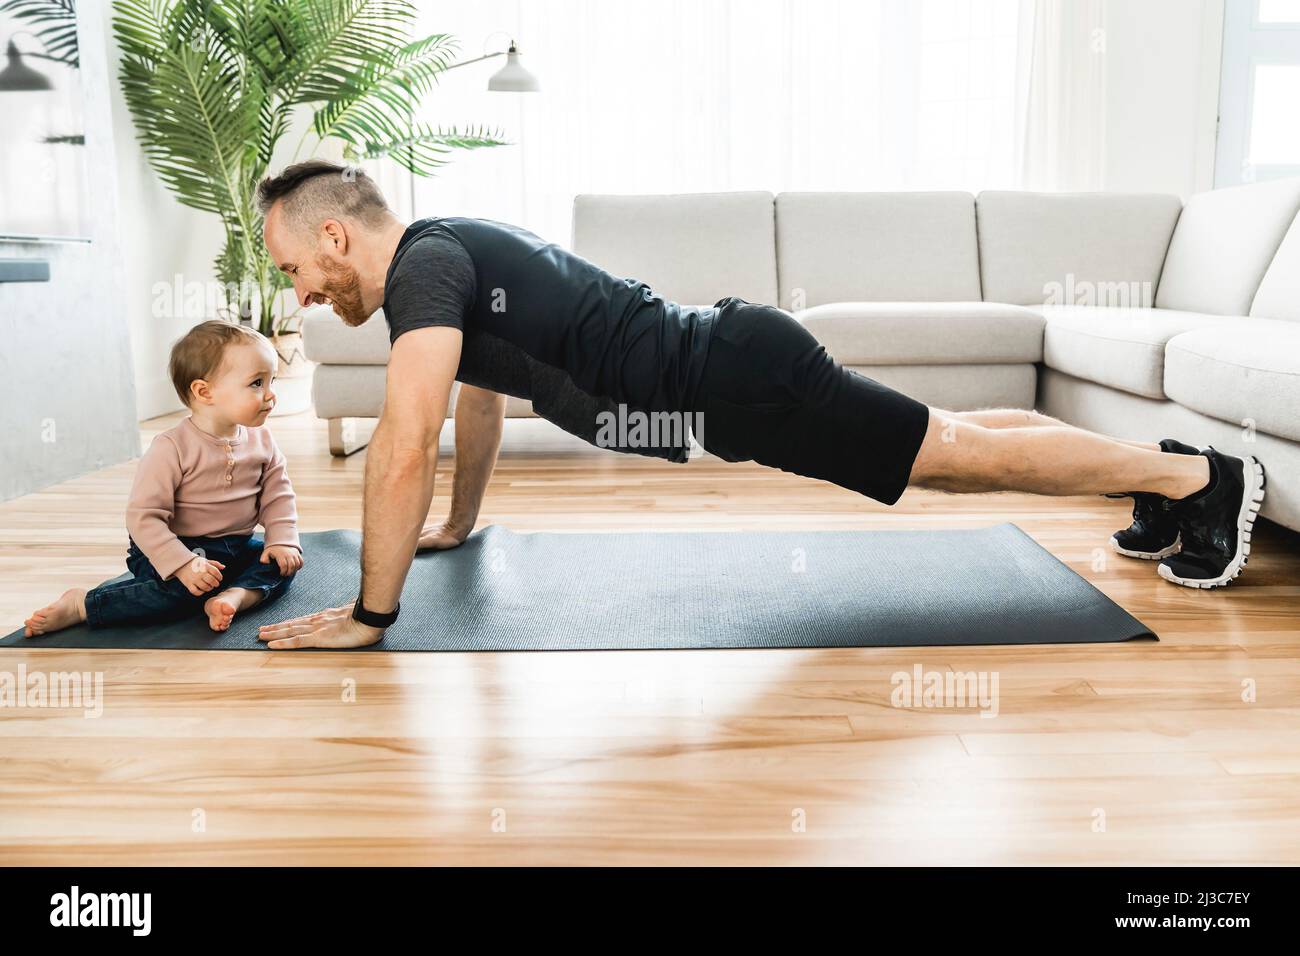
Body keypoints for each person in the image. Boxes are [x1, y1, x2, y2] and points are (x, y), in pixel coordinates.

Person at [252, 161, 1265, 650]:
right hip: (735, 368)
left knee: (950, 455)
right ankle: (1163, 470)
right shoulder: (442, 258)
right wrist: (459, 522)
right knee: (951, 438)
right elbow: (476, 397)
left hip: (737, 377)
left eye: (294, 267)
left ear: (335, 237)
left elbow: (400, 440)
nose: (299, 294)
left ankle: (1200, 478)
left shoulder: (427, 269)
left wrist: (372, 614)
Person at [23, 321, 304, 637]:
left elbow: (277, 495)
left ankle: (234, 597)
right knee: (180, 594)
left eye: (272, 381)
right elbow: (143, 518)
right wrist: (183, 564)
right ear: (204, 391)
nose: (271, 395)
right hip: (174, 546)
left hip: (234, 546)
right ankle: (84, 605)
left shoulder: (262, 440)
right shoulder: (171, 448)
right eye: (256, 383)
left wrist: (281, 539)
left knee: (284, 563)